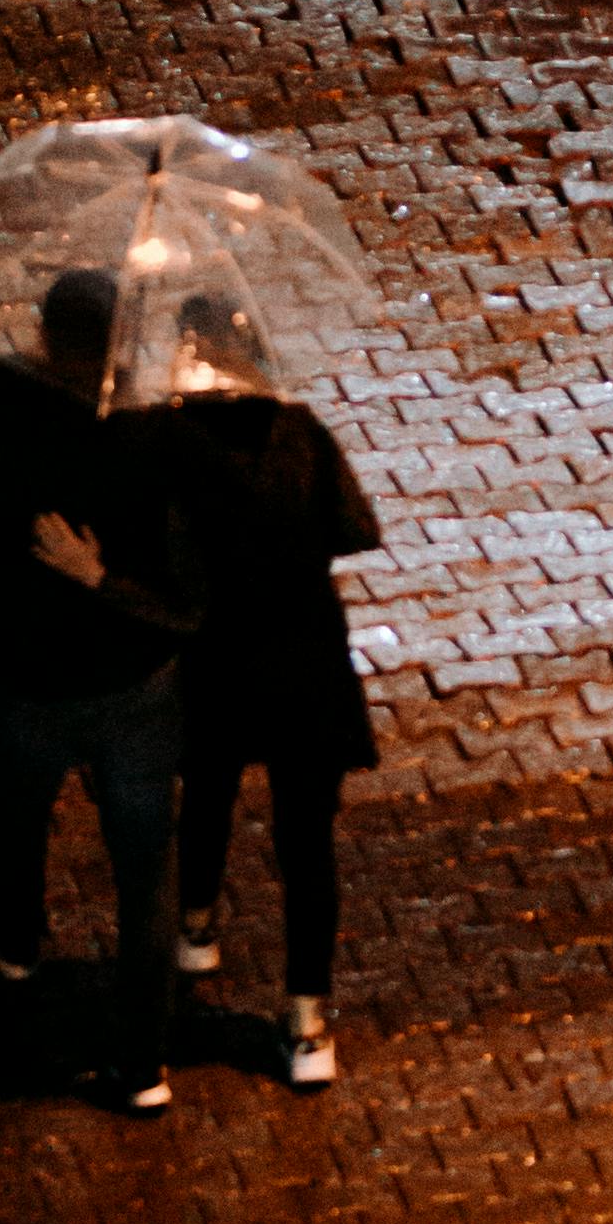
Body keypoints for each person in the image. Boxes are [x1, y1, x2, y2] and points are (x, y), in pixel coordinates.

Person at [0, 267, 202, 1113]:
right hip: (133, 682)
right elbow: (181, 575)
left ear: (46, 335)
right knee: (146, 875)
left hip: (33, 675)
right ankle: (143, 1066)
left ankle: (18, 942)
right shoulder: (153, 439)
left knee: (18, 817)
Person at [158, 294, 381, 1090]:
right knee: (307, 846)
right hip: (305, 660)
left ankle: (195, 924)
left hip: (217, 656)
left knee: (209, 786)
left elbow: (165, 558)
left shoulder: (172, 442)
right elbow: (357, 528)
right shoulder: (302, 434)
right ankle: (309, 1021)